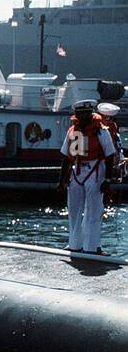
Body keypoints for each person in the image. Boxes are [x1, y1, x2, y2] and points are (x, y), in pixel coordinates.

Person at [59, 99, 119, 256]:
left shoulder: (101, 131)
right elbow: (67, 157)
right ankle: (74, 244)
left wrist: (107, 180)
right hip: (77, 172)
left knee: (93, 211)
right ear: (77, 115)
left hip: (96, 171)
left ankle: (91, 247)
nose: (85, 117)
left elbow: (110, 156)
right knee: (73, 210)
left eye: (88, 113)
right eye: (82, 114)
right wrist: (61, 180)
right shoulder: (74, 131)